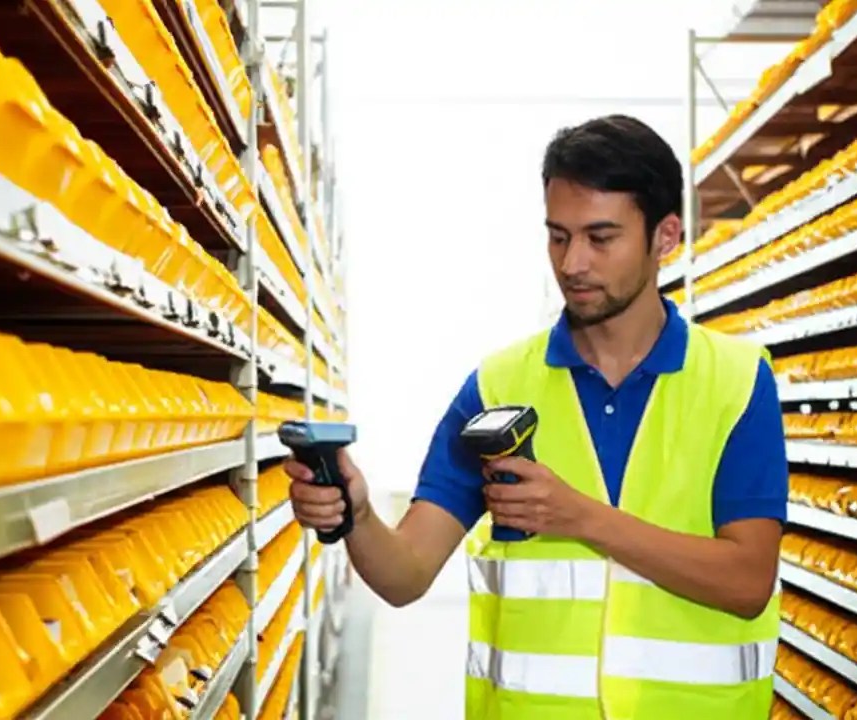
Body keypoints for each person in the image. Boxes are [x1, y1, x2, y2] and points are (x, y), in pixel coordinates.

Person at [285, 114, 788, 719]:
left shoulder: (735, 382)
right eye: (558, 236)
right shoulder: (497, 385)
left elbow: (746, 581)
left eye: (601, 238)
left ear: (666, 236)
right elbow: (406, 574)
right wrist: (357, 515)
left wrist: (580, 517)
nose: (572, 263)